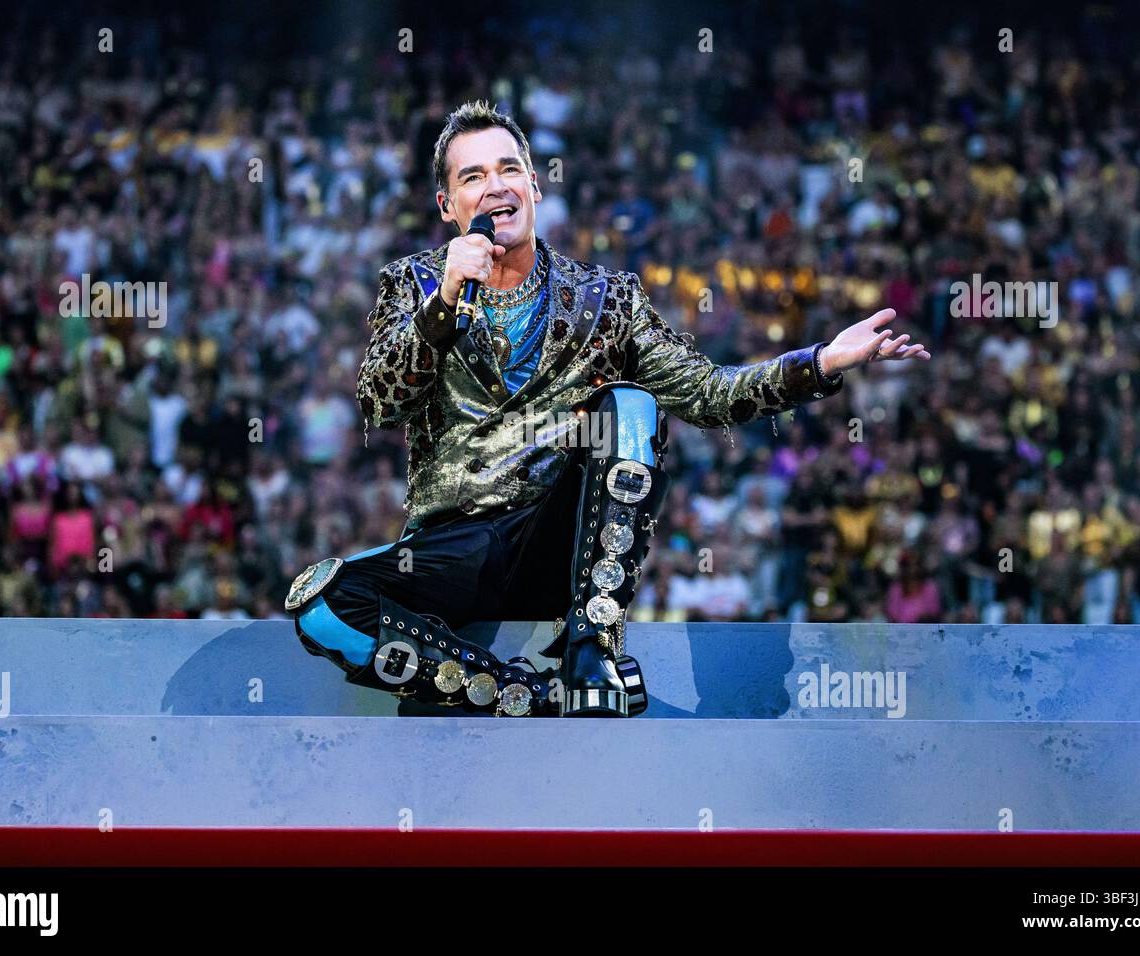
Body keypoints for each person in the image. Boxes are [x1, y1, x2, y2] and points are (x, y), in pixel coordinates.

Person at [284, 100, 930, 718]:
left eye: (509, 169)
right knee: (319, 602)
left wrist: (817, 364)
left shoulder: (606, 298)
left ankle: (592, 647)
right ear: (448, 206)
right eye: (473, 176)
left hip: (558, 542)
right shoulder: (417, 283)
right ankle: (517, 692)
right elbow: (380, 399)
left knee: (628, 406)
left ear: (535, 187)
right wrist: (447, 298)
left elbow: (706, 394)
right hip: (454, 551)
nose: (496, 187)